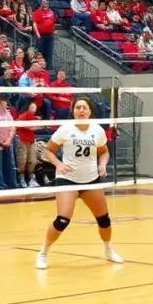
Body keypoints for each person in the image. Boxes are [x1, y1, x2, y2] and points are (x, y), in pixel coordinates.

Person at [36, 97, 119, 270]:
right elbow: (48, 150)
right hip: (68, 179)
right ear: (73, 111)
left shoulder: (97, 130)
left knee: (104, 219)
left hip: (90, 179)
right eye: (78, 107)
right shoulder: (65, 130)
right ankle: (43, 253)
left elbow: (104, 152)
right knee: (62, 220)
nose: (81, 110)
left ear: (89, 111)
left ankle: (108, 250)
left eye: (84, 108)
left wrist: (102, 165)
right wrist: (58, 164)